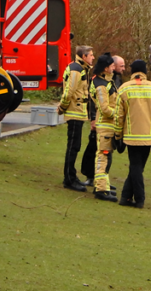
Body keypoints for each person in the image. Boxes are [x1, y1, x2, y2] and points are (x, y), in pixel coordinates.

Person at [113, 59, 151, 209]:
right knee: (138, 166)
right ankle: (138, 198)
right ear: (145, 72)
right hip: (149, 136)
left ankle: (126, 197)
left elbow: (119, 116)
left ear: (132, 71)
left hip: (130, 136)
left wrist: (117, 136)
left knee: (135, 166)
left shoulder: (124, 89)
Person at [57, 45, 94, 191]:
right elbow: (69, 91)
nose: (92, 58)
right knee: (73, 147)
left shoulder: (80, 68)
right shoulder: (76, 69)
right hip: (74, 112)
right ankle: (69, 179)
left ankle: (71, 176)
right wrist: (62, 107)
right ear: (83, 56)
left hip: (78, 112)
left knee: (75, 146)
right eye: (91, 55)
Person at [90, 53, 118, 202]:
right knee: (103, 156)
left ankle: (102, 186)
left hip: (109, 125)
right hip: (105, 125)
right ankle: (101, 189)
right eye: (112, 65)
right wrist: (119, 114)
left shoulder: (106, 81)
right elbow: (105, 108)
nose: (114, 67)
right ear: (106, 68)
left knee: (106, 156)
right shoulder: (100, 84)